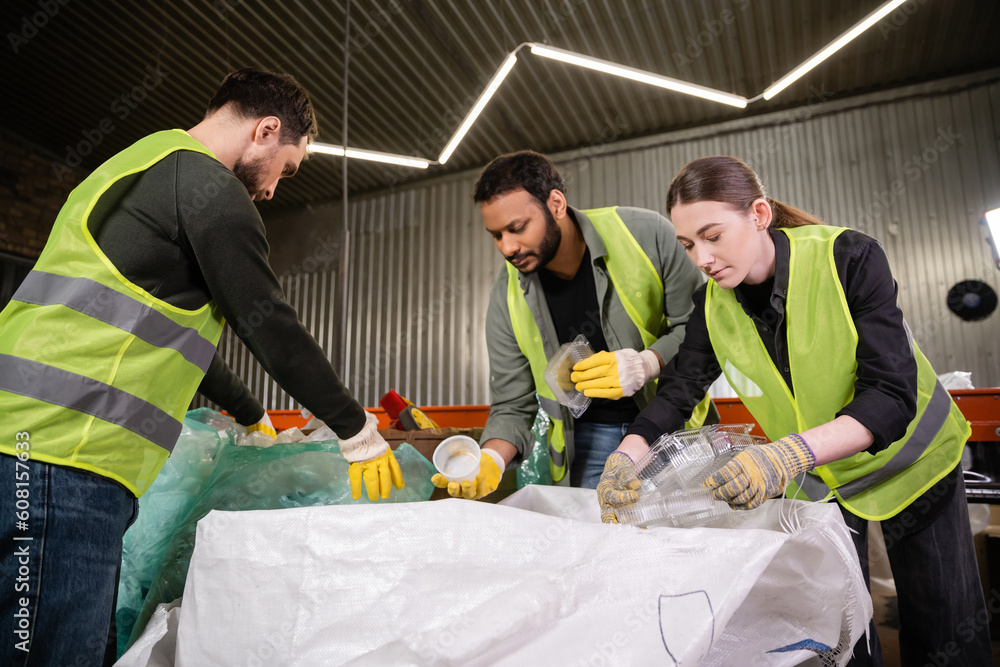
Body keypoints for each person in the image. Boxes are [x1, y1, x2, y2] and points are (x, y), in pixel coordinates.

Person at [0, 68, 403, 667]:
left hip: (23, 443)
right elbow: (269, 325)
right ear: (266, 130)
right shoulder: (214, 190)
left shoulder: (143, 161)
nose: (271, 191)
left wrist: (253, 413)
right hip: (67, 461)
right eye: (284, 169)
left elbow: (167, 334)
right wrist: (355, 431)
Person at [597, 156, 990, 665]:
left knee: (942, 630)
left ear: (759, 214)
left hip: (913, 464)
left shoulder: (847, 256)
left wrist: (784, 457)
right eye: (689, 245)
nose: (703, 257)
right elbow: (678, 391)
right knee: (839, 627)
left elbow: (892, 394)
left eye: (713, 235)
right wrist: (626, 457)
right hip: (825, 476)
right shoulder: (712, 304)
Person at [439, 150, 713, 501]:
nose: (507, 247)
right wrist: (490, 458)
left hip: (672, 424)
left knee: (686, 539)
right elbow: (512, 404)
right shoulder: (505, 297)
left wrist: (649, 362)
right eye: (496, 235)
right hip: (586, 439)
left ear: (556, 203)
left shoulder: (645, 236)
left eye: (517, 228)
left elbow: (701, 328)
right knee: (600, 544)